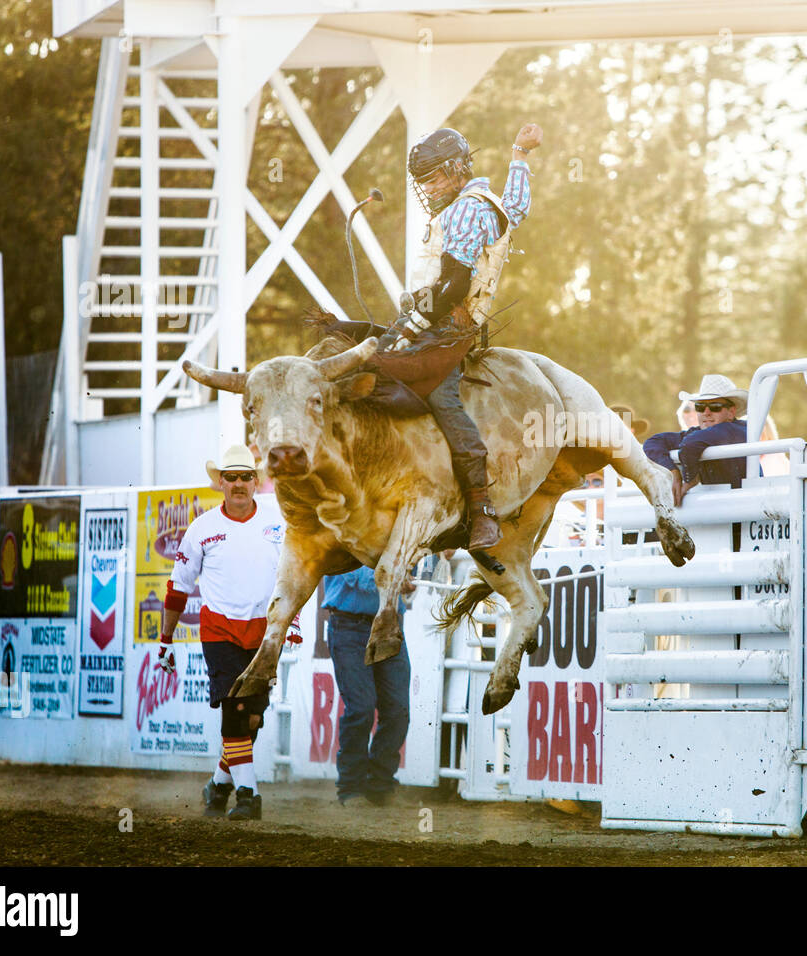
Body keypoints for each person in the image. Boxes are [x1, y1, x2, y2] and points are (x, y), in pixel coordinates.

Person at [319, 123, 543, 554]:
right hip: (436, 315)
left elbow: (456, 285)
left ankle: (481, 506)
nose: (428, 187)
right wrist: (519, 155)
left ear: (459, 169)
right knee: (355, 344)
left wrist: (412, 327)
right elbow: (515, 207)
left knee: (439, 394)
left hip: (448, 326)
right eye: (423, 180)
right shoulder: (481, 201)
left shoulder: (464, 209)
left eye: (434, 177)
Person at [157, 444, 300, 821]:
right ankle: (250, 797)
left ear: (256, 481)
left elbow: (293, 578)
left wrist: (293, 622)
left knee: (251, 720)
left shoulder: (278, 523)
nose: (238, 484)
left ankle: (219, 786)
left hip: (265, 635)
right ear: (220, 482)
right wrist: (166, 639)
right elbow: (177, 588)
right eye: (231, 477)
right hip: (219, 631)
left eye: (245, 477)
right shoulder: (202, 527)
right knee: (235, 709)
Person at [322, 565, 412, 806]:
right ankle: (353, 786)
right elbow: (353, 573)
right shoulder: (342, 527)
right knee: (362, 707)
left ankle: (378, 784)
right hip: (350, 625)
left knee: (397, 710)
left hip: (384, 624)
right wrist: (395, 579)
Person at [644, 375, 749, 506]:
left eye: (715, 406)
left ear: (731, 412)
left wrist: (689, 480)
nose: (706, 412)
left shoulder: (737, 430)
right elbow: (652, 443)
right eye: (700, 407)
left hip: (742, 511)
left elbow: (690, 444)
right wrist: (673, 472)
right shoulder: (698, 433)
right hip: (725, 509)